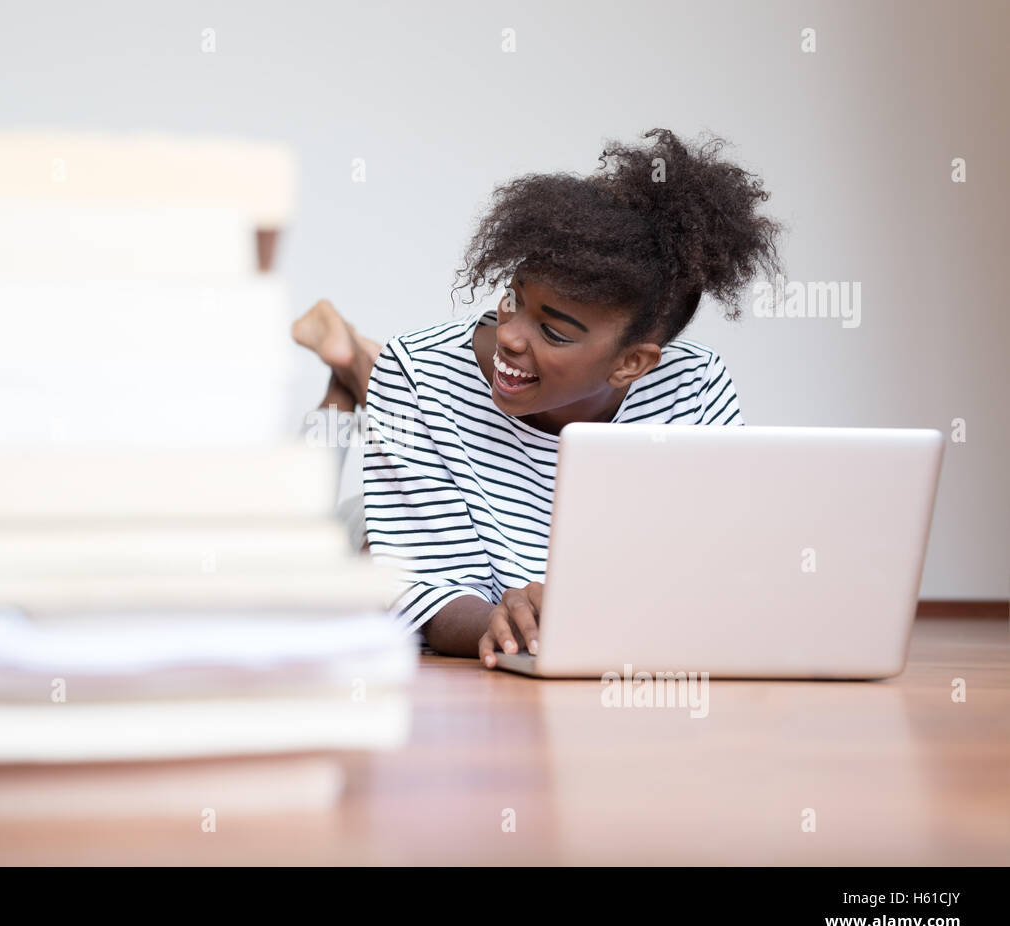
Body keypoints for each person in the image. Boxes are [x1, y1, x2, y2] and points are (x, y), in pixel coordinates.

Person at [292, 128, 783, 668]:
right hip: (389, 528)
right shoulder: (417, 371)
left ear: (631, 364)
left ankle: (353, 361)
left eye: (554, 332)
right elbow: (419, 588)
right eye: (514, 298)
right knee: (296, 559)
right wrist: (498, 623)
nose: (509, 334)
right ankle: (350, 375)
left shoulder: (695, 391)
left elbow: (717, 570)